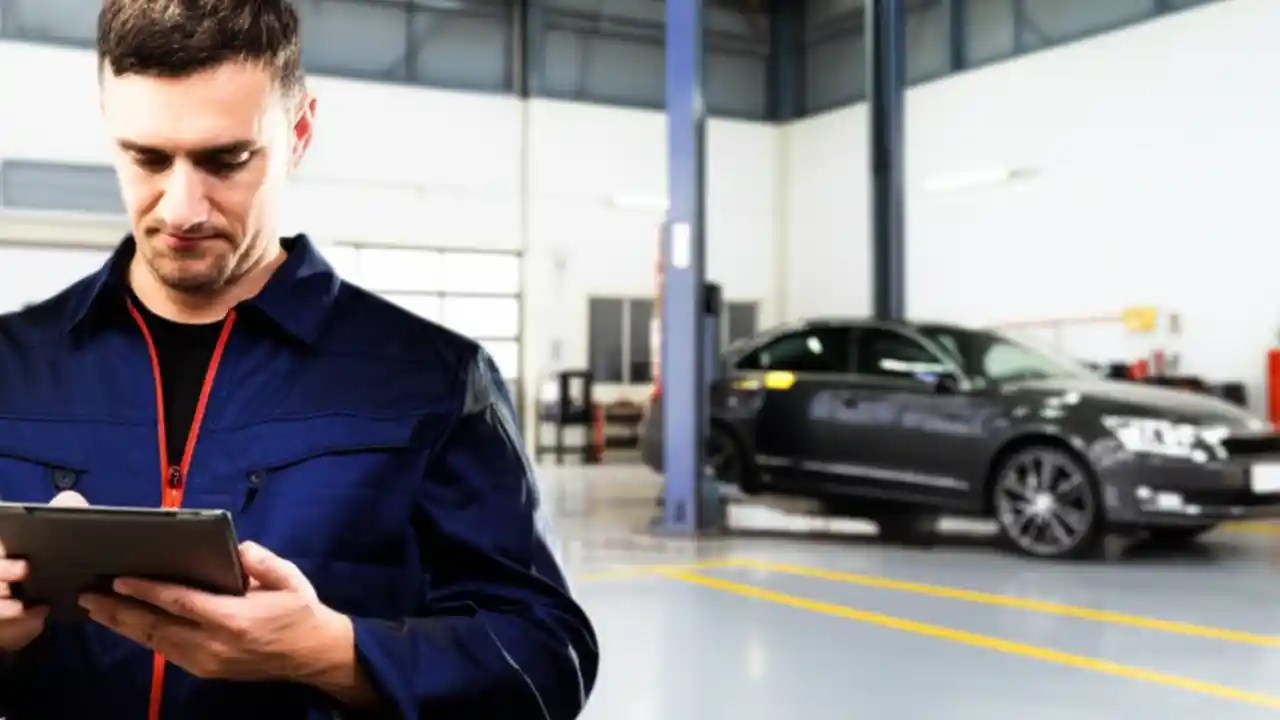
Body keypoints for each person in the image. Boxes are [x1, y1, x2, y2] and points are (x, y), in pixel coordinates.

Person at [0, 0, 598, 717]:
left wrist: (329, 652)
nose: (183, 207)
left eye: (227, 160)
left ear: (300, 130)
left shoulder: (429, 380)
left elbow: (544, 660)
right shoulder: (10, 367)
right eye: (148, 158)